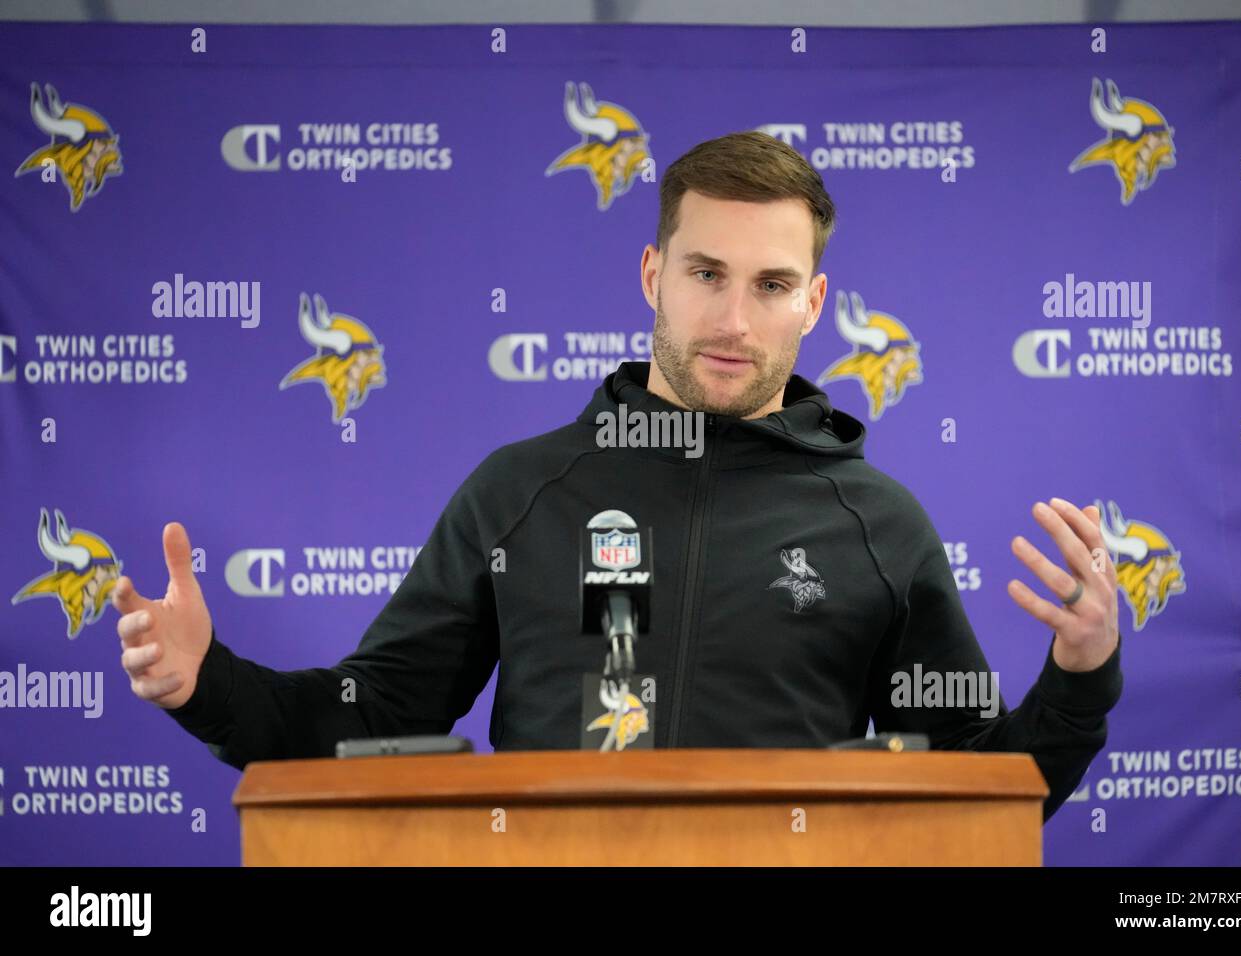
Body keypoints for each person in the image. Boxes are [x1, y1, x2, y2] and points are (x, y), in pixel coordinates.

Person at [111, 131, 1122, 822]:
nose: (732, 319)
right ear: (652, 275)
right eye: (704, 274)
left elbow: (983, 790)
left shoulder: (878, 524)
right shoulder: (521, 491)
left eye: (770, 285)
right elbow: (370, 718)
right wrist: (208, 683)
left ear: (813, 303)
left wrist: (1080, 674)